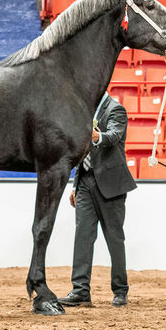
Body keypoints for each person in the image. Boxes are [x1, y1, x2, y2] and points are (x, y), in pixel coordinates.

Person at [58, 92, 137, 308]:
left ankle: (120, 290)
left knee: (114, 238)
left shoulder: (115, 110)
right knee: (82, 236)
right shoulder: (85, 110)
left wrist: (95, 136)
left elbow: (113, 136)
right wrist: (75, 184)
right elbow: (79, 151)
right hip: (85, 181)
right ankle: (80, 290)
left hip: (111, 184)